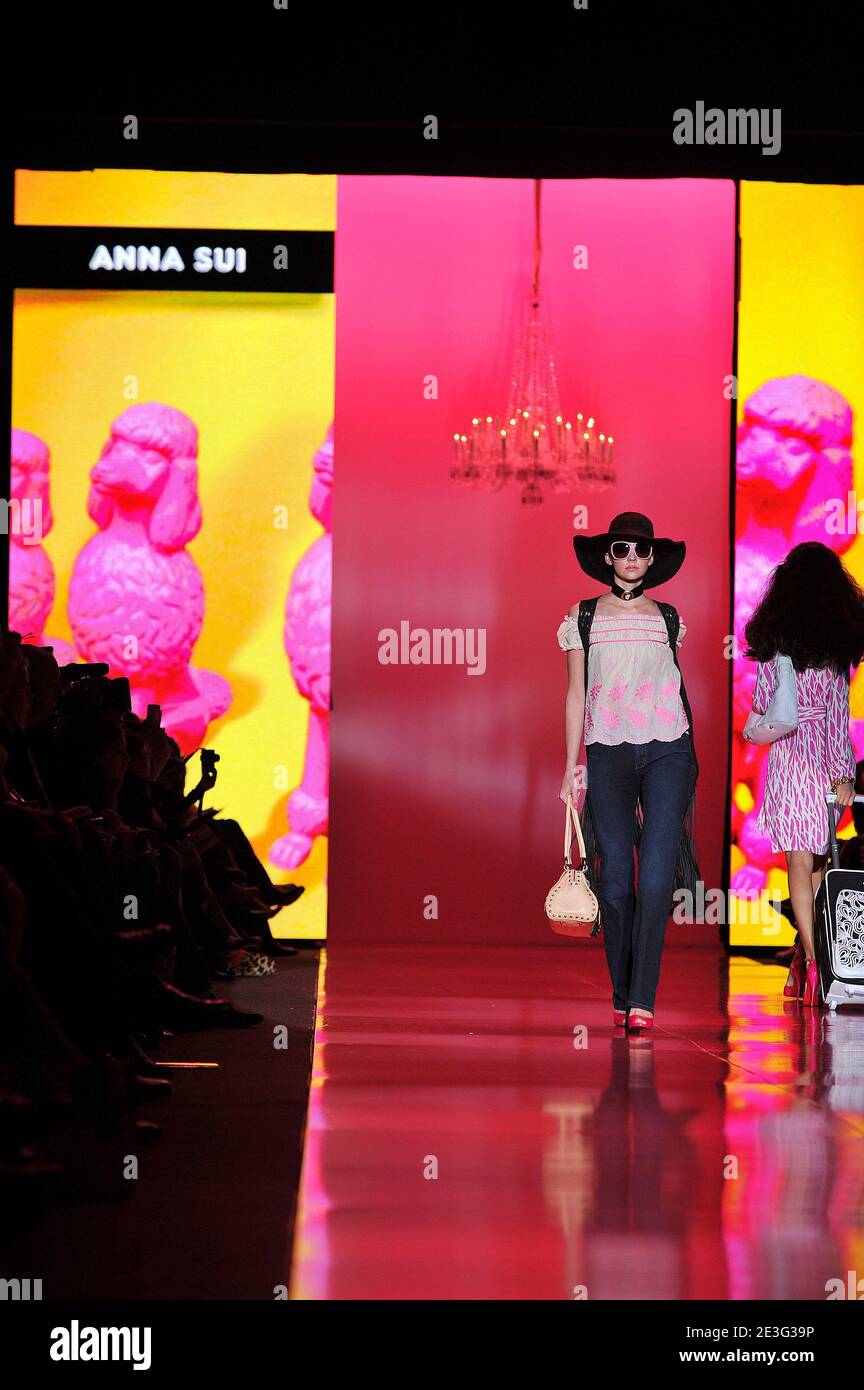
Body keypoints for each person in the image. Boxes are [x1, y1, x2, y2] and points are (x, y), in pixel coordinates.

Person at [557, 511, 699, 1033]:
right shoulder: (582, 618)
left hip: (668, 749)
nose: (633, 558)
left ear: (653, 558)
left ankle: (642, 1000)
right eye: (623, 549)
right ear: (608, 557)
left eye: (642, 550)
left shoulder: (668, 618)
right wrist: (572, 767)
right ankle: (622, 991)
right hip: (608, 751)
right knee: (615, 879)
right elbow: (576, 694)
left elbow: (666, 682)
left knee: (658, 876)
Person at [743, 542, 864, 1005]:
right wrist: (844, 775)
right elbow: (837, 719)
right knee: (812, 864)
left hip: (791, 759)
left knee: (806, 865)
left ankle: (812, 962)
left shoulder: (777, 649)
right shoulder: (834, 654)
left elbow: (763, 711)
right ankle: (817, 964)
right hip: (823, 761)